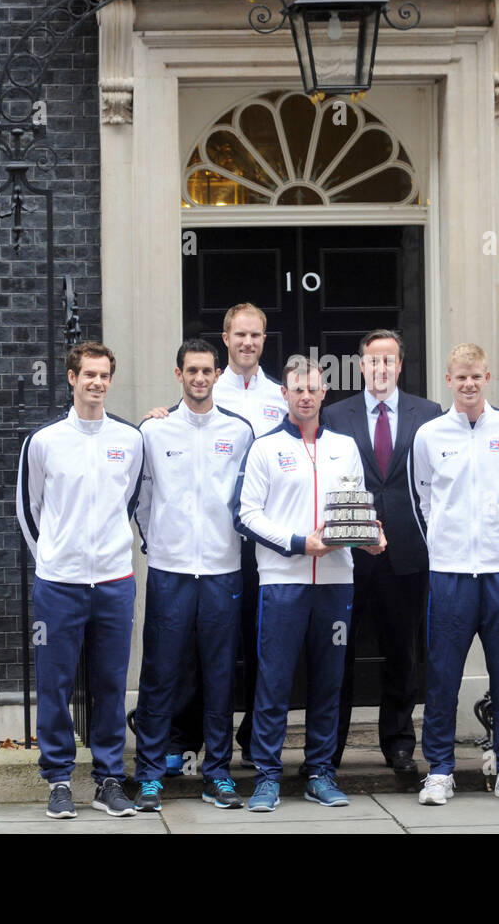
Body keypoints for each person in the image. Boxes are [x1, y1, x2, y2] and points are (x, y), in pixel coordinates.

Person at [233, 354, 386, 812]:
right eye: (296, 388)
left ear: (324, 393)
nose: (304, 395)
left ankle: (321, 771)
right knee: (274, 681)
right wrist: (301, 543)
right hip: (283, 582)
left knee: (329, 680)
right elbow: (246, 515)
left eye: (312, 388)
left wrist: (371, 535)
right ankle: (266, 775)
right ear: (284, 394)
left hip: (337, 581)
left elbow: (356, 509)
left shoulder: (344, 446)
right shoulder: (263, 448)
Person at [143, 303, 287, 769]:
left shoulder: (279, 397)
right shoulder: (204, 384)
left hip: (262, 542)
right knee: (189, 647)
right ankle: (184, 738)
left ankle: (247, 737)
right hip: (208, 544)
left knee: (251, 642)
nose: (248, 342)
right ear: (226, 339)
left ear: (264, 339)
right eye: (240, 334)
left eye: (256, 335)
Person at [17, 341, 144, 820]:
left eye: (104, 375)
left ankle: (109, 779)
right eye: (87, 374)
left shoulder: (130, 440)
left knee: (111, 683)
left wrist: (109, 552)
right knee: (55, 683)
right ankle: (58, 781)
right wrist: (51, 560)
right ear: (71, 378)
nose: (96, 383)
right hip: (59, 584)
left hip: (114, 581)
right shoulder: (45, 441)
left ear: (110, 380)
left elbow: (128, 502)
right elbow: (28, 511)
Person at [132, 338, 256, 812]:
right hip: (171, 571)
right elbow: (142, 499)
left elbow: (247, 499)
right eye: (192, 371)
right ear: (178, 375)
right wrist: (157, 542)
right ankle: (149, 775)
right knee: (161, 672)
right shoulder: (153, 432)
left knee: (221, 674)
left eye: (207, 371)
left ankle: (217, 772)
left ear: (218, 374)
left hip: (224, 571)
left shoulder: (240, 431)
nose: (200, 378)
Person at [408, 343, 499, 807]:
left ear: (487, 377)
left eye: (476, 376)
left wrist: (497, 540)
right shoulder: (429, 435)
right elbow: (422, 500)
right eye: (460, 377)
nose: (468, 384)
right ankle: (439, 770)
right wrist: (444, 545)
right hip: (450, 573)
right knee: (443, 674)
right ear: (448, 380)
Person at [320, 328, 441, 774]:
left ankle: (399, 743)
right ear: (361, 366)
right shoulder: (336, 415)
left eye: (389, 361)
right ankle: (328, 749)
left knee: (402, 652)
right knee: (339, 652)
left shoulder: (427, 413)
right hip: (348, 553)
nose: (381, 368)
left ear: (400, 366)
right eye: (373, 361)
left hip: (407, 553)